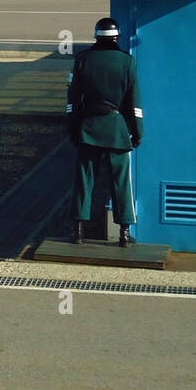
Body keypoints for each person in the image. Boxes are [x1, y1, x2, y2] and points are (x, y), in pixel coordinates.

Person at [66, 17, 144, 247]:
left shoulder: (83, 60)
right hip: (117, 129)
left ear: (96, 36)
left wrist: (72, 126)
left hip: (88, 127)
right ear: (117, 37)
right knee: (120, 183)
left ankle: (78, 231)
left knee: (84, 180)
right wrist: (137, 131)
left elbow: (73, 99)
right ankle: (124, 232)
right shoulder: (127, 62)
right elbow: (134, 102)